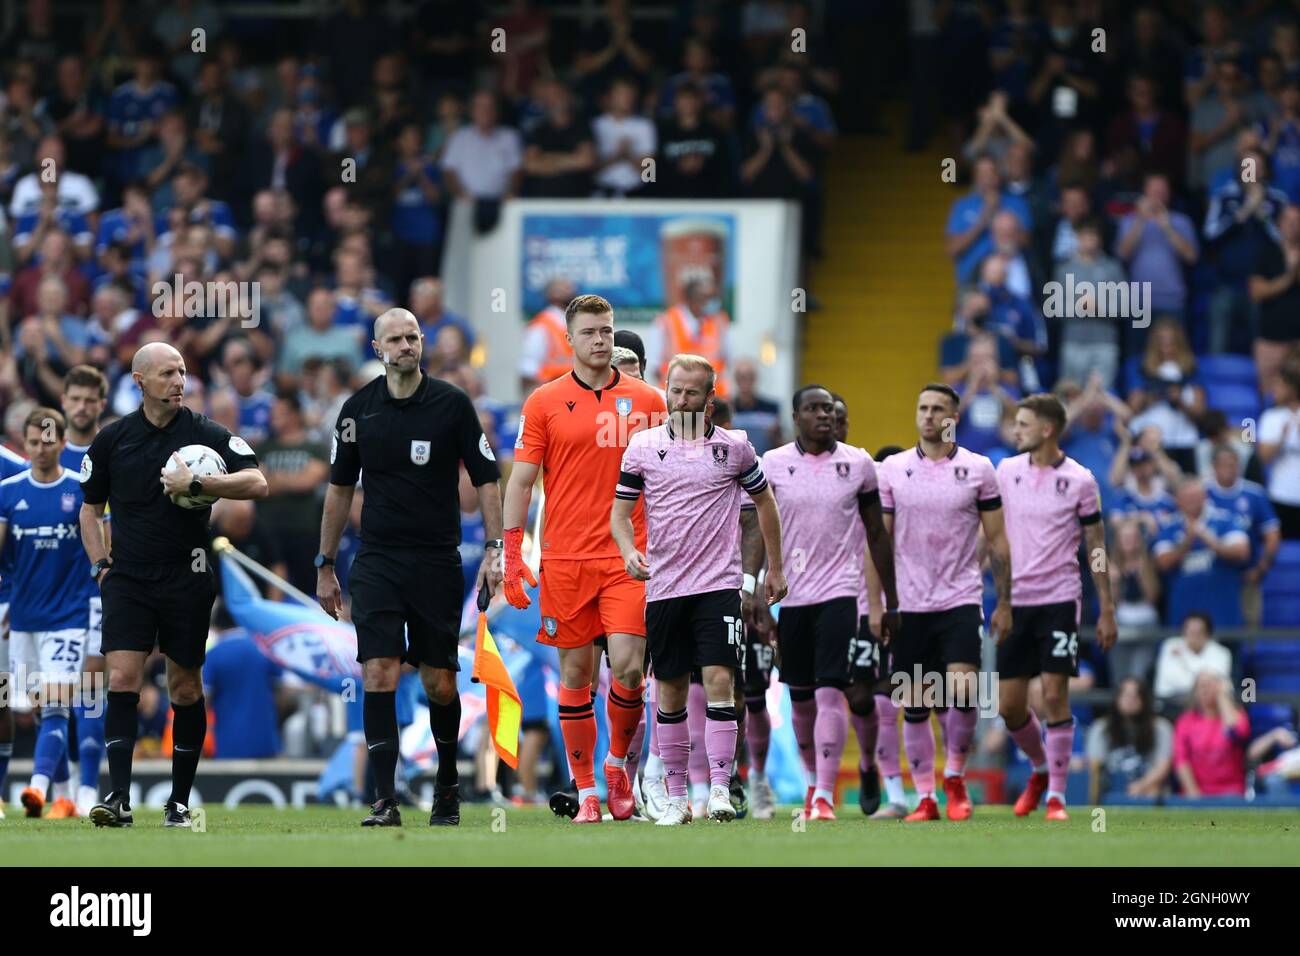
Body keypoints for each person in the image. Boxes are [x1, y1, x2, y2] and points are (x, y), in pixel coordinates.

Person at [317, 308, 503, 827]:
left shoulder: (451, 404)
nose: (406, 345)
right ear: (377, 349)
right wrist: (324, 562)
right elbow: (338, 490)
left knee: (440, 682)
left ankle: (447, 783)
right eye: (395, 339)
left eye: (413, 337)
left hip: (436, 560)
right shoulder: (356, 411)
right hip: (376, 559)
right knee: (377, 671)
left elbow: (487, 478)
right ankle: (384, 799)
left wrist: (495, 548)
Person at [80, 342, 267, 828]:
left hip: (189, 575)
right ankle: (117, 799)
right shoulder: (113, 439)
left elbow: (257, 483)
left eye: (182, 372)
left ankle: (178, 802)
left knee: (184, 685)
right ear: (140, 381)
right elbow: (89, 508)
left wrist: (200, 487)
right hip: (127, 578)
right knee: (121, 677)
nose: (179, 381)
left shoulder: (205, 434)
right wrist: (101, 564)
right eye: (167, 373)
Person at [501, 294, 667, 823]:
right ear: (568, 339)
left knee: (629, 668)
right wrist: (510, 551)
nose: (602, 340)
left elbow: (669, 481)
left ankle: (617, 762)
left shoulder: (649, 401)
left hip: (628, 556)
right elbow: (522, 481)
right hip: (566, 559)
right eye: (591, 332)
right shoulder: (543, 402)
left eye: (608, 331)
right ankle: (588, 789)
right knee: (574, 675)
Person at [611, 355, 785, 824]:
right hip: (665, 588)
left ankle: (722, 792)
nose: (681, 400)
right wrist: (629, 550)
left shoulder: (737, 448)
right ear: (665, 390)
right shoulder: (642, 447)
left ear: (710, 399)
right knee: (668, 692)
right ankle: (675, 799)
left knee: (720, 683)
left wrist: (775, 569)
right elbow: (620, 513)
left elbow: (765, 505)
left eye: (692, 393)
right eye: (675, 390)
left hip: (718, 587)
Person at [759, 385, 898, 821]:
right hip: (791, 598)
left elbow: (878, 534)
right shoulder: (774, 464)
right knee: (799, 697)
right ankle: (811, 782)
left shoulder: (858, 464)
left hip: (844, 596)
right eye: (814, 409)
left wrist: (891, 603)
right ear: (796, 416)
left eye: (829, 409)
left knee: (838, 692)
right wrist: (755, 587)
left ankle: (825, 792)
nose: (824, 416)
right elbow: (757, 530)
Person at [877, 383, 1011, 822]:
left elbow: (997, 541)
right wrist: (881, 602)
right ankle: (927, 797)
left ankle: (954, 777)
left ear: (954, 417)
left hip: (960, 598)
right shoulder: (894, 469)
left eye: (938, 409)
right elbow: (880, 540)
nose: (929, 415)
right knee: (914, 703)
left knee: (963, 689)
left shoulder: (978, 470)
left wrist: (1005, 602)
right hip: (910, 603)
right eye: (923, 408)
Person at [997, 394, 1116, 822]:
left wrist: (1106, 608)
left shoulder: (1081, 480)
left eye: (1023, 424)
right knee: (1010, 706)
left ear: (1047, 430)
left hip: (1060, 600)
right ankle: (1041, 768)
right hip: (1016, 602)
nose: (1015, 431)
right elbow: (994, 538)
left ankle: (1057, 799)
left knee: (1052, 694)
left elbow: (1096, 546)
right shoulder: (1006, 472)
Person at [2, 408, 91, 819]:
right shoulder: (9, 491)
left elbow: (100, 551)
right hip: (23, 619)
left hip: (69, 617)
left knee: (57, 702)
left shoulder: (81, 490)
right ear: (25, 444)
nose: (42, 449)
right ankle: (64, 794)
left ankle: (37, 789)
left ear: (61, 442)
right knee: (36, 709)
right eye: (34, 442)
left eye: (49, 441)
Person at [60, 364, 109, 814]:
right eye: (75, 398)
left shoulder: (113, 451)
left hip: (96, 592)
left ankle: (89, 789)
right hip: (50, 596)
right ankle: (64, 788)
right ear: (63, 402)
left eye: (89, 400)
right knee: (52, 696)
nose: (81, 406)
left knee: (90, 688)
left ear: (101, 405)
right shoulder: (45, 462)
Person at [1153, 478, 1251, 629]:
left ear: (1205, 497)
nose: (1192, 502)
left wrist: (1210, 540)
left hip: (1223, 613)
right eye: (1187, 498)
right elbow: (1163, 563)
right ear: (1177, 500)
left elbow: (1242, 552)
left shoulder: (1225, 519)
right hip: (1182, 615)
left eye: (1195, 497)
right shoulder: (1168, 526)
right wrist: (1187, 542)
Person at [1086, 677, 1173, 803]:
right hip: (1111, 788)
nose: (1130, 701)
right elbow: (1095, 766)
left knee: (1154, 791)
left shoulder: (1161, 728)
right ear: (1117, 699)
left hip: (1149, 789)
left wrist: (1141, 786)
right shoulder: (1101, 728)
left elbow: (1163, 766)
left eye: (1135, 696)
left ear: (1144, 700)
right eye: (1126, 695)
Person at [1172, 671, 1250, 797]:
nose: (1205, 689)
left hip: (1230, 790)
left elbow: (1236, 733)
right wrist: (1193, 792)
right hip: (1196, 791)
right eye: (1201, 686)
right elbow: (1181, 759)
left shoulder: (1237, 714)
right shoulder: (1186, 721)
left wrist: (1223, 697)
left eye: (1210, 685)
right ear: (1195, 692)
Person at [1153, 611, 1234, 707]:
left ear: (1208, 634)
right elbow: (1170, 680)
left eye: (1198, 632)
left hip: (1208, 706)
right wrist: (1202, 678)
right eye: (1190, 631)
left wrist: (1183, 662)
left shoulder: (1221, 652)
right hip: (1170, 703)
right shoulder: (1170, 645)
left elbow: (1216, 686)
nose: (1194, 636)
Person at [1259, 365, 1300, 539]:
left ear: (1292, 388)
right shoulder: (1270, 417)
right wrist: (1282, 438)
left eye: (1279, 385)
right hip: (1280, 495)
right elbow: (1262, 457)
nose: (1273, 390)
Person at [518, 276, 575, 393]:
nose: (571, 292)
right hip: (551, 391)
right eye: (565, 288)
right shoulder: (542, 325)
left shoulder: (573, 323)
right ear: (553, 294)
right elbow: (528, 367)